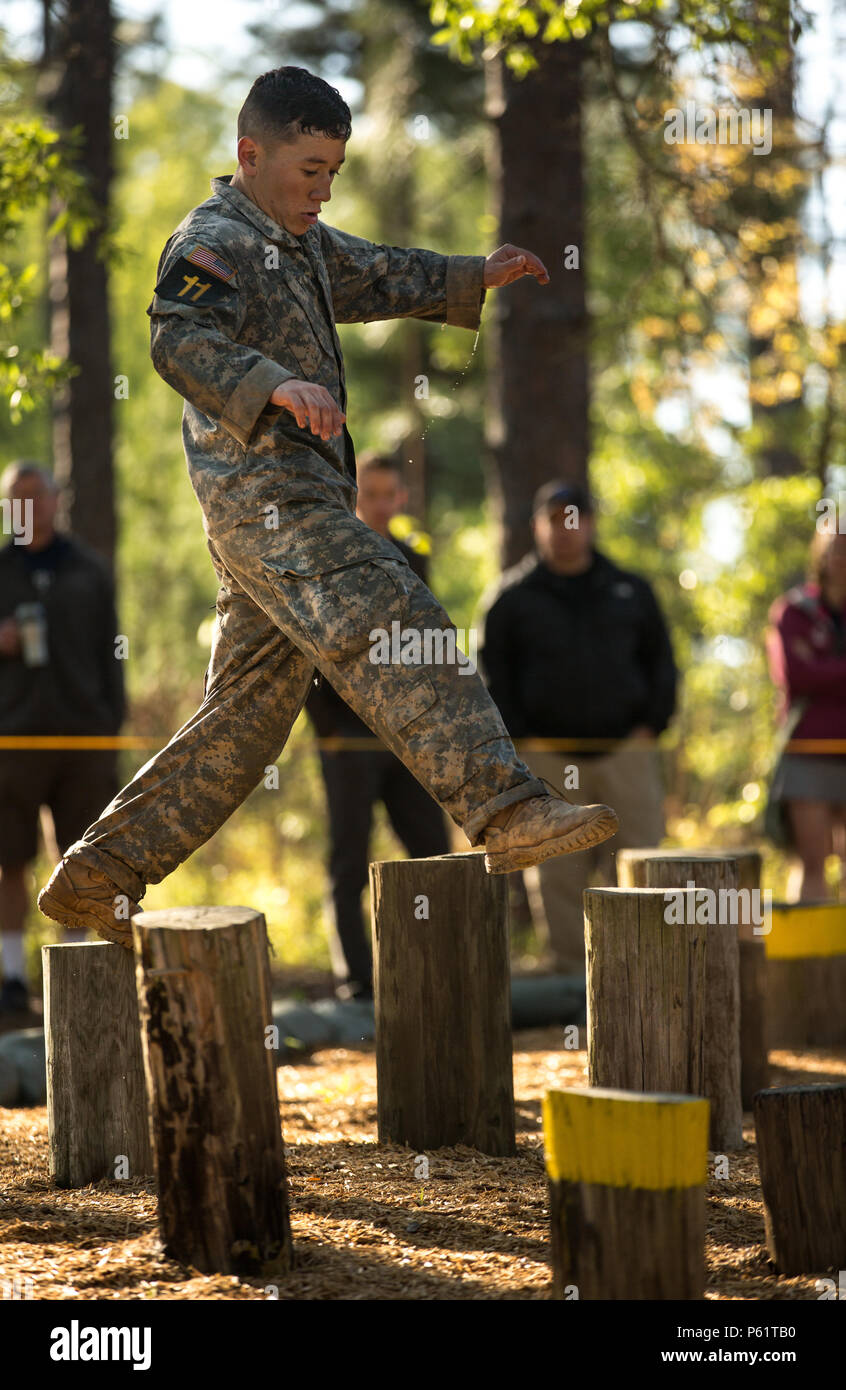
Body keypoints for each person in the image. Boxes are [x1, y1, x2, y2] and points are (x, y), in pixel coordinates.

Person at [38, 67, 618, 948]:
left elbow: (376, 273)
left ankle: (99, 877)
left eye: (335, 172)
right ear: (251, 154)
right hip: (266, 502)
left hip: (291, 505)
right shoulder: (213, 238)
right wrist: (276, 388)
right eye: (309, 170)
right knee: (393, 606)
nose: (323, 189)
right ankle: (504, 809)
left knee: (245, 721)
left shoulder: (300, 240)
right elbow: (177, 339)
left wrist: (472, 274)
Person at [479, 480, 677, 974]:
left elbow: (663, 666)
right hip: (545, 758)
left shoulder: (631, 590)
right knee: (557, 873)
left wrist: (651, 726)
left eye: (574, 518)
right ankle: (570, 978)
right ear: (536, 527)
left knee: (639, 864)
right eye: (553, 519)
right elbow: (492, 678)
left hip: (626, 752)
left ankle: (642, 969)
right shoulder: (510, 599)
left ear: (589, 524)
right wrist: (525, 740)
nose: (564, 530)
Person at [306, 453, 450, 1001]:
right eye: (370, 493)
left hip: (408, 736)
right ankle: (356, 980)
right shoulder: (328, 557)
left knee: (432, 853)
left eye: (389, 494)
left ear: (402, 498)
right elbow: (311, 649)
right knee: (349, 855)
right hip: (349, 739)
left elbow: (429, 639)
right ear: (352, 493)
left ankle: (438, 965)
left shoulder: (416, 558)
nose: (380, 504)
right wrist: (331, 730)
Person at [0, 462, 124, 1018]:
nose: (30, 507)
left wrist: (108, 726)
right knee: (8, 861)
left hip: (83, 741)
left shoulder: (90, 571)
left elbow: (113, 655)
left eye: (38, 496)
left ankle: (73, 973)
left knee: (80, 859)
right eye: (17, 498)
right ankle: (10, 980)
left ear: (56, 500)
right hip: (11, 743)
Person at [766, 527, 846, 900]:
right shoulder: (794, 610)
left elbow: (813, 674)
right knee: (811, 862)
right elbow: (795, 675)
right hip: (807, 752)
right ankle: (810, 958)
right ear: (821, 555)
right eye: (836, 548)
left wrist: (823, 670)